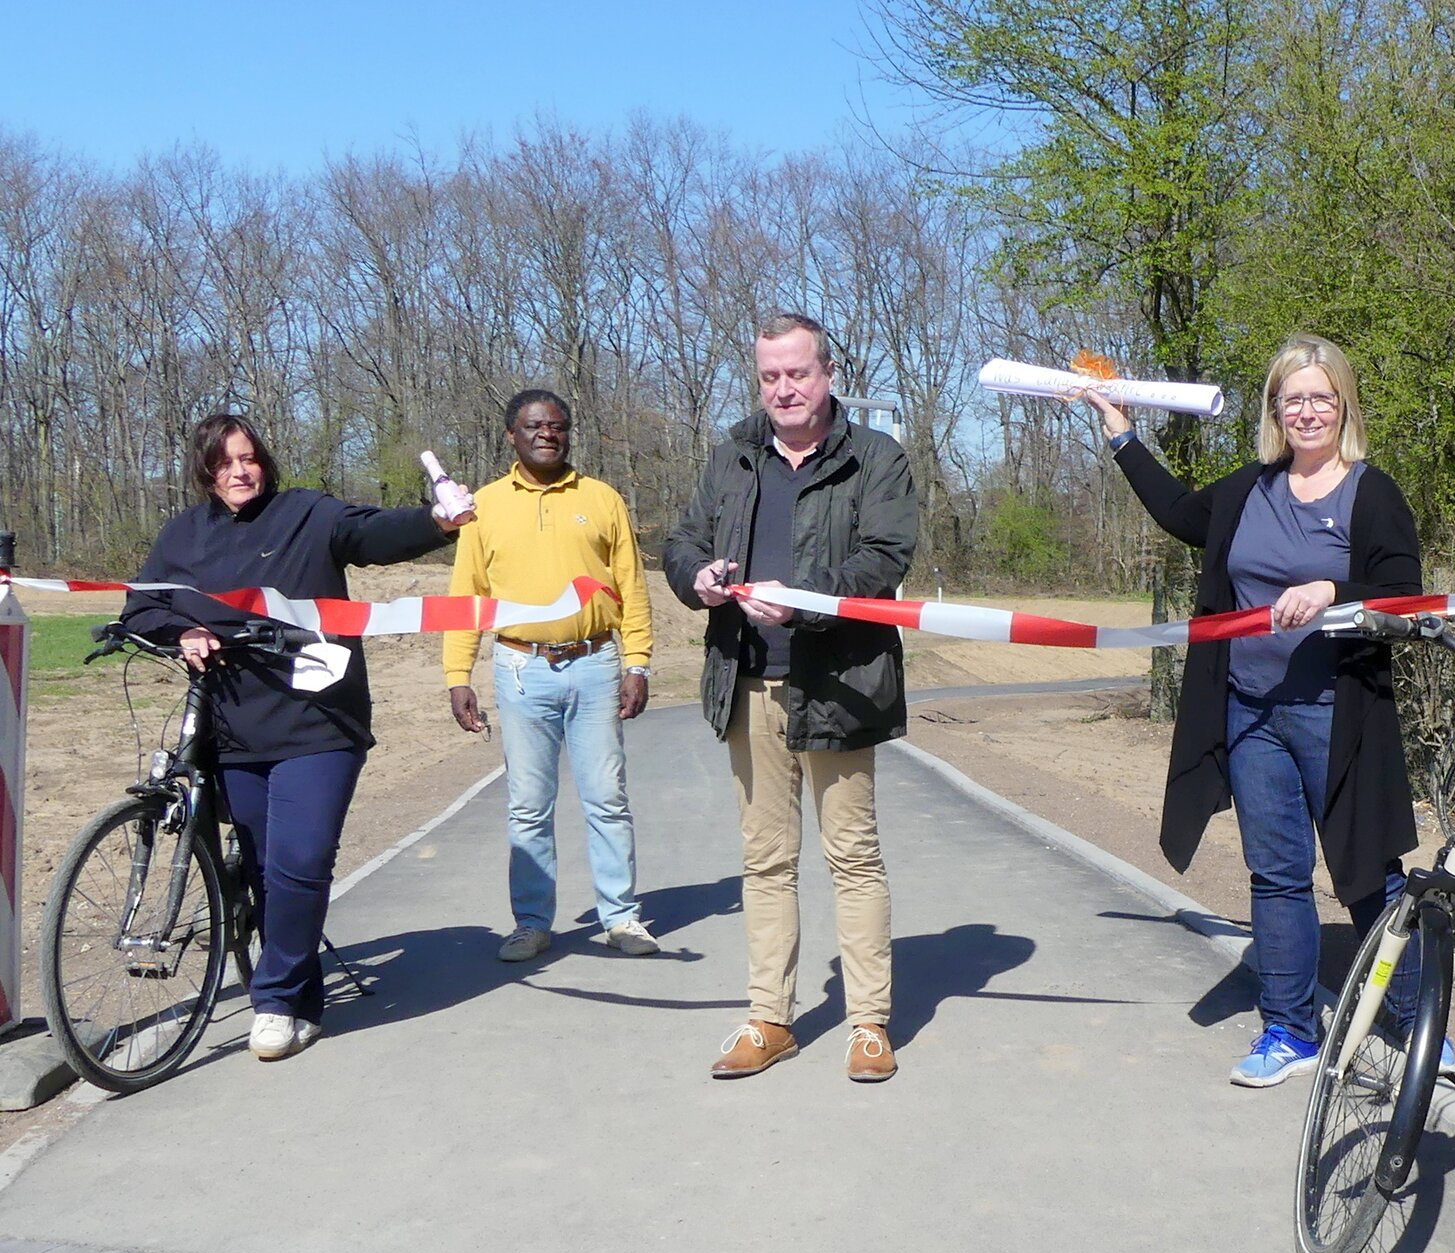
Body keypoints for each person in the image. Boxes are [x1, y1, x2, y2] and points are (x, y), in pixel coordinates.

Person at [1080, 333, 1430, 1088]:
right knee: (1275, 876)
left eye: (1320, 397)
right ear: (1275, 410)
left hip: (1338, 714)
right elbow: (1181, 514)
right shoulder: (1249, 489)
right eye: (1291, 399)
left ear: (1343, 405)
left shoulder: (1371, 493)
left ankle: (1416, 1027)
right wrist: (1121, 433)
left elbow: (1406, 593)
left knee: (1368, 874)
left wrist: (1335, 591)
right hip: (1251, 713)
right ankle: (1289, 1030)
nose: (1307, 412)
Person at [121, 413, 474, 1061]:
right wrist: (182, 632)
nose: (239, 472)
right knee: (264, 871)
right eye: (224, 462)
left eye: (248, 458)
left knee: (300, 860)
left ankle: (276, 1001)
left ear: (265, 461)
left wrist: (436, 522)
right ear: (204, 471)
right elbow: (143, 606)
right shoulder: (183, 535)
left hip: (319, 721)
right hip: (233, 727)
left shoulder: (306, 514)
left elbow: (369, 534)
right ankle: (300, 996)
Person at [665, 313, 918, 1082]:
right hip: (747, 682)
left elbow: (884, 559)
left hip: (839, 683)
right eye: (770, 376)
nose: (783, 389)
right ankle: (769, 1019)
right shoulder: (732, 456)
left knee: (853, 857)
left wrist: (804, 601)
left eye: (797, 373)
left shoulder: (875, 458)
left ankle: (869, 1023)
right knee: (767, 860)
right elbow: (682, 541)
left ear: (829, 374)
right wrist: (698, 578)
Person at [446, 389, 658, 964]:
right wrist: (457, 674)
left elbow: (632, 586)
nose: (547, 434)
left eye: (557, 426)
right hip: (521, 669)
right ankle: (532, 923)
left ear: (568, 433)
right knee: (528, 805)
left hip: (595, 663)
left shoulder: (602, 499)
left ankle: (621, 917)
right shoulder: (483, 506)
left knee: (606, 798)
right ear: (511, 435)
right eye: (535, 426)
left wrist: (637, 661)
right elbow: (466, 597)